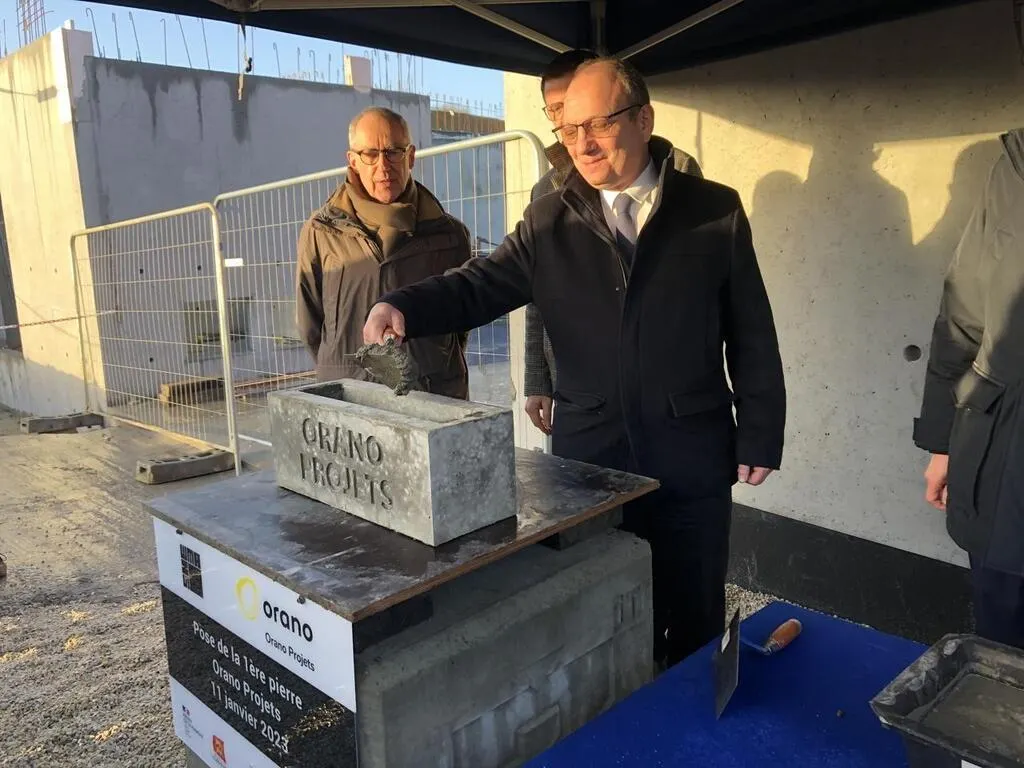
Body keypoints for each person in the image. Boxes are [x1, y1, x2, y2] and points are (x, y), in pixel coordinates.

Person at [364, 57, 786, 667]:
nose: (582, 143)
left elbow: (751, 329)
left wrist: (761, 431)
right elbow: (478, 283)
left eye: (601, 123)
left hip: (691, 451)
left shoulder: (712, 209)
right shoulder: (549, 218)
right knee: (605, 614)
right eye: (569, 129)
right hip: (592, 461)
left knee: (693, 611)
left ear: (644, 119)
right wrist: (399, 303)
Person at [523, 49, 703, 436]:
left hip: (665, 390)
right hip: (580, 394)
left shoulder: (679, 170)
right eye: (554, 111)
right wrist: (538, 379)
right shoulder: (545, 194)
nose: (566, 119)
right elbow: (537, 292)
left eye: (572, 102)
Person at [914, 128, 1024, 649]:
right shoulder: (1014, 169)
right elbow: (963, 316)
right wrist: (942, 442)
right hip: (1001, 462)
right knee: (1001, 650)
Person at [295, 106, 472, 398]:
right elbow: (310, 324)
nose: (383, 166)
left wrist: (429, 360)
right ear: (352, 161)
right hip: (351, 399)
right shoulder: (320, 232)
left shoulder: (449, 234)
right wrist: (343, 368)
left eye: (393, 152)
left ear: (411, 156)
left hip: (431, 396)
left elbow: (460, 324)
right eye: (370, 155)